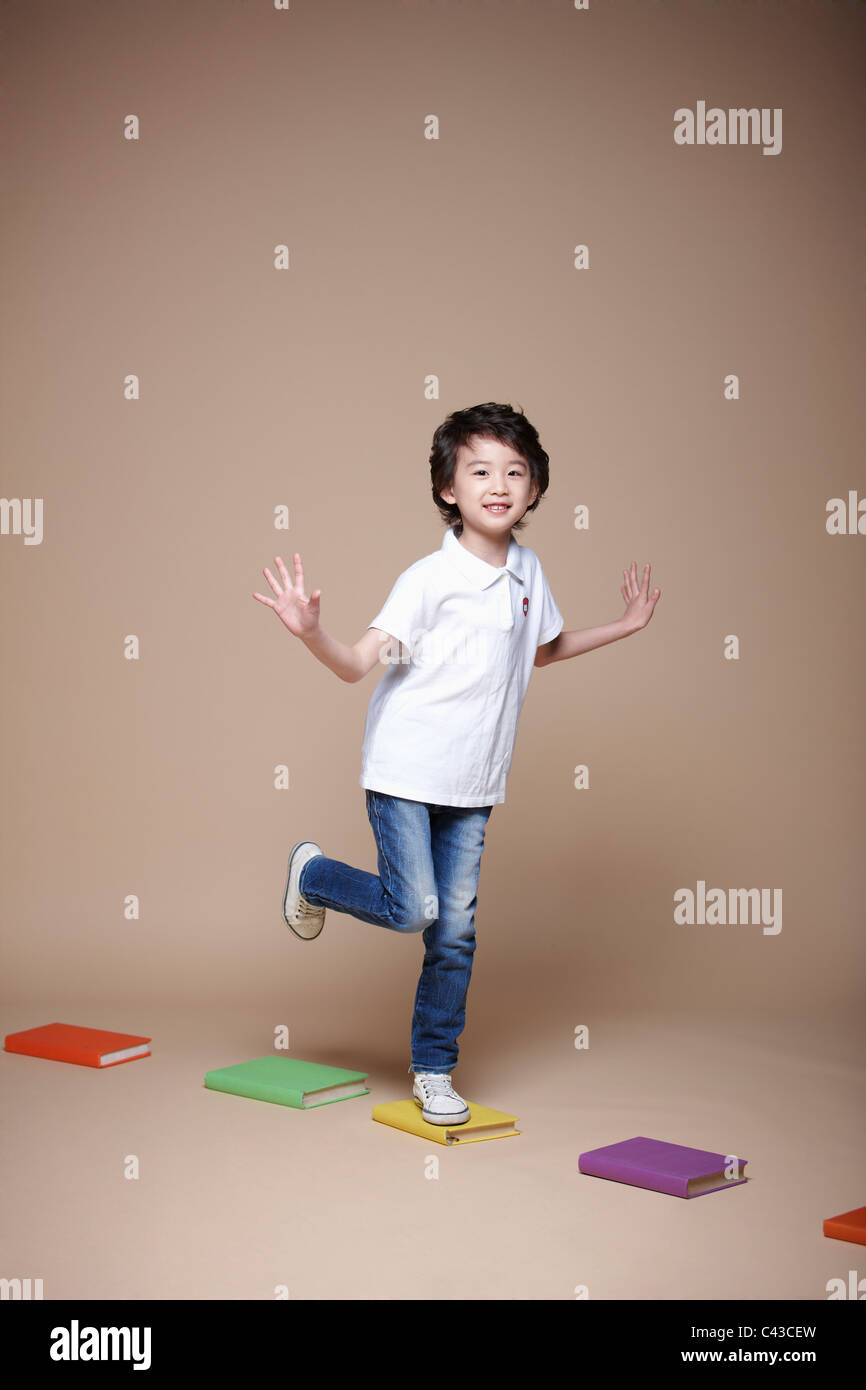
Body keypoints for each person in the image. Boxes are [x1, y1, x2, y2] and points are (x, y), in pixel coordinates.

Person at [252, 401, 661, 1124]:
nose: (498, 483)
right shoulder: (427, 580)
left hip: (474, 784)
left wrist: (624, 627)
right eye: (480, 470)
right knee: (415, 909)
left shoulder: (529, 570)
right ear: (449, 489)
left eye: (514, 471)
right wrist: (312, 632)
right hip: (406, 772)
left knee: (455, 934)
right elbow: (354, 666)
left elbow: (538, 649)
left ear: (533, 490)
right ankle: (311, 875)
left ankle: (434, 1068)